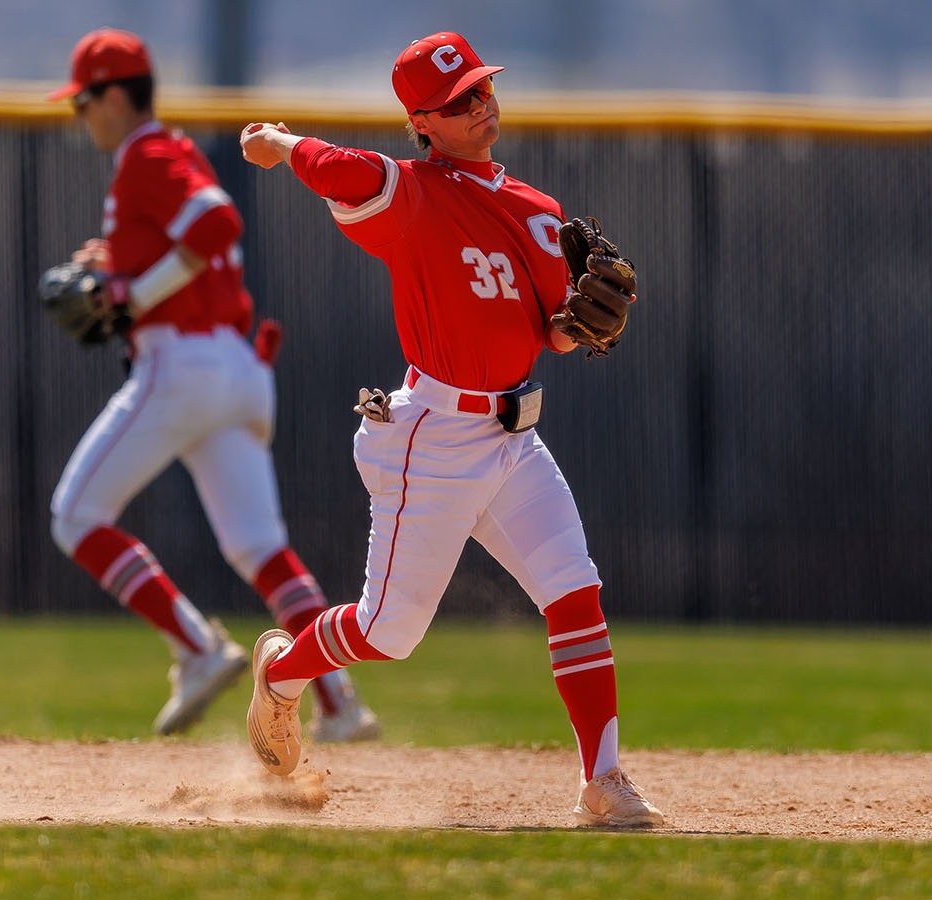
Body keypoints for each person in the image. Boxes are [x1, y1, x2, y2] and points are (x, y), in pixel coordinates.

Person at [237, 31, 664, 827]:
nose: (482, 104)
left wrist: (586, 325)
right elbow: (343, 169)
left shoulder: (538, 211)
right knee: (387, 633)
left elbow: (552, 332)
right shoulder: (409, 195)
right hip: (428, 441)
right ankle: (283, 675)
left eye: (483, 88)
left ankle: (602, 782)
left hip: (514, 439)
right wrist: (281, 141)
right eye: (461, 98)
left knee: (576, 594)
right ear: (424, 120)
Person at [44, 27, 379, 743]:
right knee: (261, 547)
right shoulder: (172, 154)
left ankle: (197, 648)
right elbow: (189, 239)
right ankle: (340, 705)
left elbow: (219, 222)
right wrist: (121, 269)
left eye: (83, 102)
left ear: (110, 96)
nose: (82, 116)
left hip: (182, 366)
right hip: (239, 371)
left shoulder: (147, 153)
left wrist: (132, 297)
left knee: (76, 516)